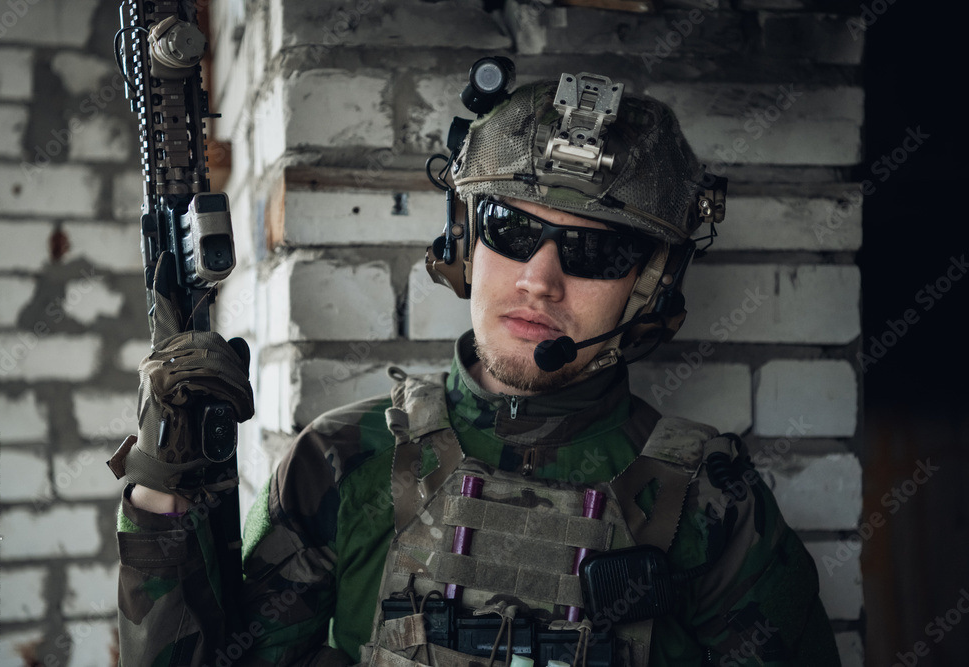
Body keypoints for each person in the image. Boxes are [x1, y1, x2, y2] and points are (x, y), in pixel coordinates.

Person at [111, 66, 842, 667]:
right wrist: (166, 488)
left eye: (595, 251)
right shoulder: (343, 461)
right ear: (464, 239)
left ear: (647, 285)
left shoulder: (713, 501)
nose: (540, 280)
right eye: (510, 228)